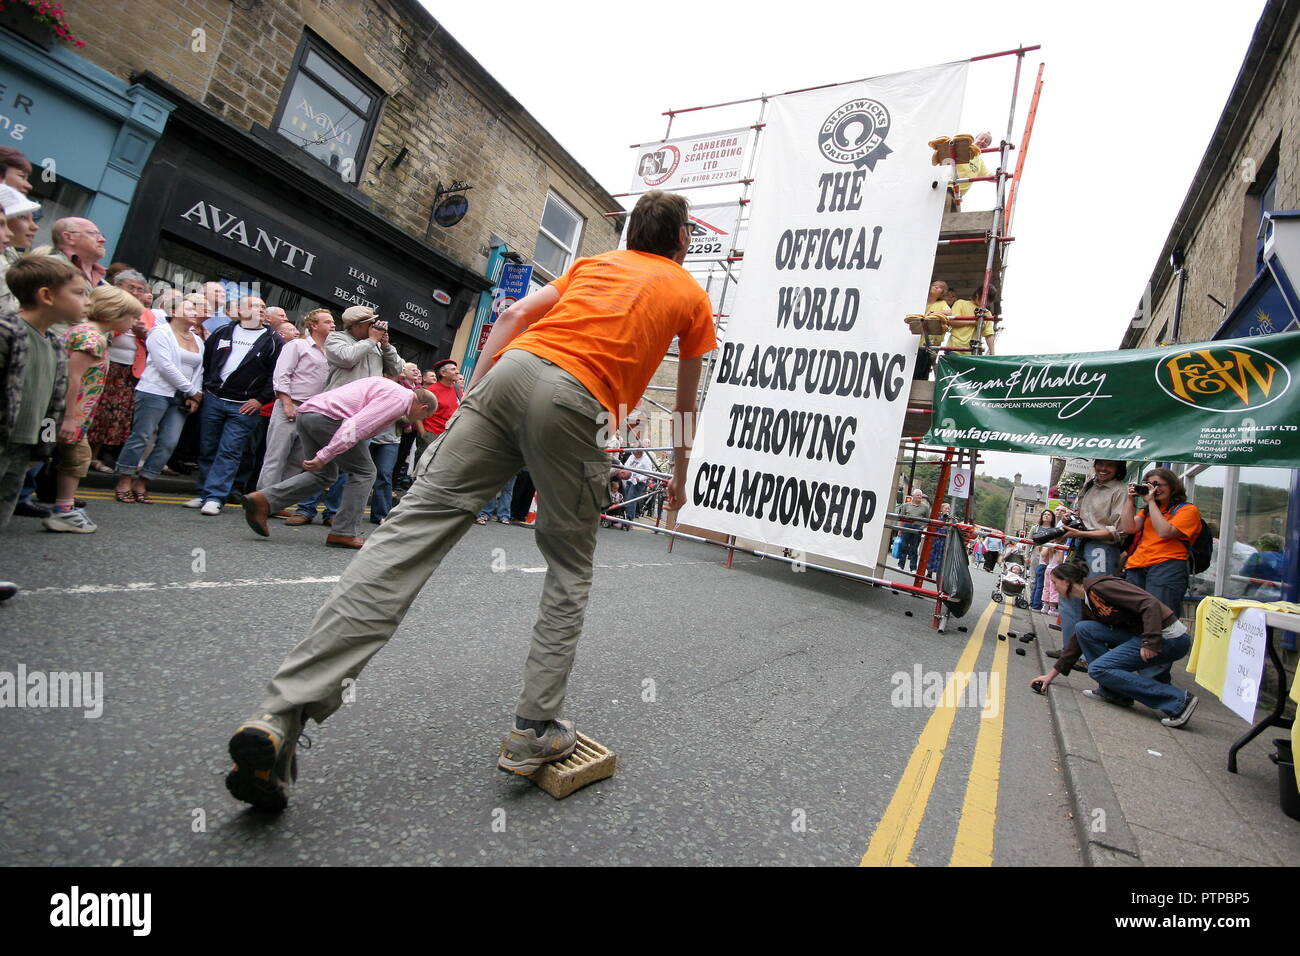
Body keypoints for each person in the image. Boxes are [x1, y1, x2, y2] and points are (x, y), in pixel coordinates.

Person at [224, 189, 716, 809]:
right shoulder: (691, 297)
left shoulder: (593, 266)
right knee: (568, 567)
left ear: (631, 237)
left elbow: (509, 318)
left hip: (510, 373)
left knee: (404, 540)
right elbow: (685, 403)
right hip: (579, 404)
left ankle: (279, 716)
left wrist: (474, 404)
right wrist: (678, 474)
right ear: (681, 242)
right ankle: (535, 730)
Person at [241, 377, 436, 549]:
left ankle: (263, 500)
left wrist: (324, 457)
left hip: (308, 414)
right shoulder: (399, 400)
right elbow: (354, 426)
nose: (420, 420)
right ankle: (343, 532)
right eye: (424, 417)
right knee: (365, 472)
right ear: (423, 407)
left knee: (323, 475)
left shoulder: (393, 390)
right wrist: (325, 455)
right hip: (329, 419)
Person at [1029, 563, 1199, 728]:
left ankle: (1178, 702)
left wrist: (1150, 641)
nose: (1054, 587)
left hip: (1169, 638)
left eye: (1054, 582)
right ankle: (1114, 692)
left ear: (1066, 582)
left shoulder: (1102, 587)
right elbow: (1075, 643)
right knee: (1083, 629)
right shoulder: (1088, 600)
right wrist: (1050, 676)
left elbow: (1149, 603)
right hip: (1143, 635)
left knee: (1097, 669)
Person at [290, 305, 403, 527]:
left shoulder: (377, 345)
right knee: (321, 460)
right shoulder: (336, 339)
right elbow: (347, 358)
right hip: (334, 412)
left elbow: (397, 370)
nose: (375, 327)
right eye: (371, 324)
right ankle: (305, 508)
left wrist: (386, 345)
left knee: (350, 466)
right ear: (358, 325)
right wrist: (371, 341)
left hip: (363, 414)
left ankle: (333, 511)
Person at [44, 285, 143, 533]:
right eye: (131, 316)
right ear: (114, 314)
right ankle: (63, 511)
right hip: (69, 415)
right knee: (77, 459)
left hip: (67, 413)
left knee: (42, 455)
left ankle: (60, 507)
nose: (134, 322)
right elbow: (71, 377)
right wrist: (68, 418)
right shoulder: (92, 339)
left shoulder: (84, 332)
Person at [0, 257, 78, 533]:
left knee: (5, 505)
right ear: (46, 295)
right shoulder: (6, 331)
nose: (85, 302)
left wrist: (45, 445)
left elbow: (52, 404)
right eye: (78, 293)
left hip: (25, 444)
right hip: (4, 438)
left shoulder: (55, 344)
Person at [185, 296, 281, 516]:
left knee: (230, 450)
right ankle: (203, 492)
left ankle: (216, 496)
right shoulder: (222, 333)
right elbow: (206, 362)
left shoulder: (273, 340)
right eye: (255, 305)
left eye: (264, 307)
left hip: (244, 406)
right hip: (214, 399)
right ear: (239, 310)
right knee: (208, 447)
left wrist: (259, 400)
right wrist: (204, 389)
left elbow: (275, 376)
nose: (261, 309)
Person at [113, 293, 204, 503]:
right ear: (173, 312)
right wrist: (192, 390)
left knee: (169, 442)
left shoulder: (198, 340)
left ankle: (143, 481)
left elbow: (199, 370)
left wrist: (195, 395)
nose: (194, 312)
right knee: (141, 436)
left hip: (182, 397)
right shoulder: (159, 332)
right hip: (154, 391)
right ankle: (124, 479)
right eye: (189, 308)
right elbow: (165, 367)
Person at [87, 269, 156, 474]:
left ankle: (94, 456)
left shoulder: (148, 314)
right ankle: (78, 454)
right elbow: (103, 327)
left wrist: (143, 334)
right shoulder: (107, 303)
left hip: (128, 371)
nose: (135, 292)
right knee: (93, 409)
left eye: (139, 289)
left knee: (114, 416)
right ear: (117, 286)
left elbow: (153, 343)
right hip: (103, 363)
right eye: (131, 287)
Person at [259, 308, 333, 495]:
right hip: (291, 406)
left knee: (297, 460)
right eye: (327, 322)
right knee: (276, 456)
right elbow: (282, 375)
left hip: (312, 413)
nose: (333, 325)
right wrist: (286, 403)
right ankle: (263, 499)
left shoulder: (331, 353)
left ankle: (278, 500)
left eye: (333, 322)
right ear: (314, 326)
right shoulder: (297, 345)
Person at [1120, 467, 1202, 617]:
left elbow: (1165, 532)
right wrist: (1130, 499)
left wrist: (1151, 502)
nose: (1154, 489)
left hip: (1167, 566)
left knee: (1160, 617)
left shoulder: (1188, 510)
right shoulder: (1148, 511)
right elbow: (1129, 527)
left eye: (1158, 484)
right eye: (1149, 485)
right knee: (1134, 617)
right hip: (1137, 566)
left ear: (1172, 485)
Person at [49, 217, 108, 294]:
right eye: (92, 233)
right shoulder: (48, 267)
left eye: (101, 235)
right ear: (68, 237)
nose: (102, 240)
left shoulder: (105, 286)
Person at [417, 358, 460, 455]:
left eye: (456, 369)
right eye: (453, 369)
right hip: (432, 435)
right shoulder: (431, 391)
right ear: (443, 373)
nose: (457, 372)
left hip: (449, 437)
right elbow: (418, 415)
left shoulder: (457, 390)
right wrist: (424, 434)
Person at [940, 285, 995, 356]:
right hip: (954, 349)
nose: (985, 303)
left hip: (973, 353)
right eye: (984, 300)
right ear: (977, 295)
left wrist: (992, 352)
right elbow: (952, 322)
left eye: (988, 302)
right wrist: (973, 322)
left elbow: (989, 335)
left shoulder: (987, 313)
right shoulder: (961, 303)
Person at [898, 488, 930, 572]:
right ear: (913, 496)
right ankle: (901, 565)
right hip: (907, 526)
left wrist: (922, 527)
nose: (920, 497)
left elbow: (928, 520)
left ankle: (913, 567)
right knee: (904, 546)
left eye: (920, 495)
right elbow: (901, 518)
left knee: (914, 548)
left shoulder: (925, 507)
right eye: (918, 495)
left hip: (917, 528)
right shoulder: (906, 505)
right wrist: (899, 530)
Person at [1029, 509, 1055, 609]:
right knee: (1033, 579)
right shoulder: (1035, 528)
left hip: (1049, 557)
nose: (1046, 516)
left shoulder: (1054, 529)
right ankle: (1032, 601)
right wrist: (1027, 555)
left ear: (1052, 518)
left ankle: (1040, 603)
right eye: (1044, 514)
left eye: (1049, 514)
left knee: (1044, 581)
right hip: (1036, 555)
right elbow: (1028, 542)